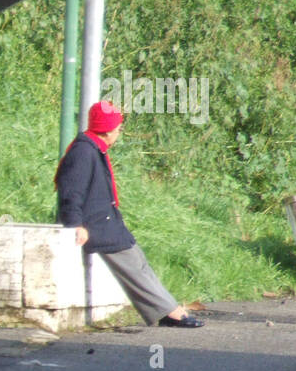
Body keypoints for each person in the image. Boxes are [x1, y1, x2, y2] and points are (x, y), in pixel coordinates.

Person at [55, 100, 204, 328]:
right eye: (118, 129)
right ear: (106, 131)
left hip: (105, 221)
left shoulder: (92, 147)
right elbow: (71, 191)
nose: (119, 133)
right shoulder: (84, 151)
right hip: (95, 225)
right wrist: (76, 224)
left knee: (138, 260)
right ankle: (169, 312)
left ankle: (168, 308)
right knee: (133, 265)